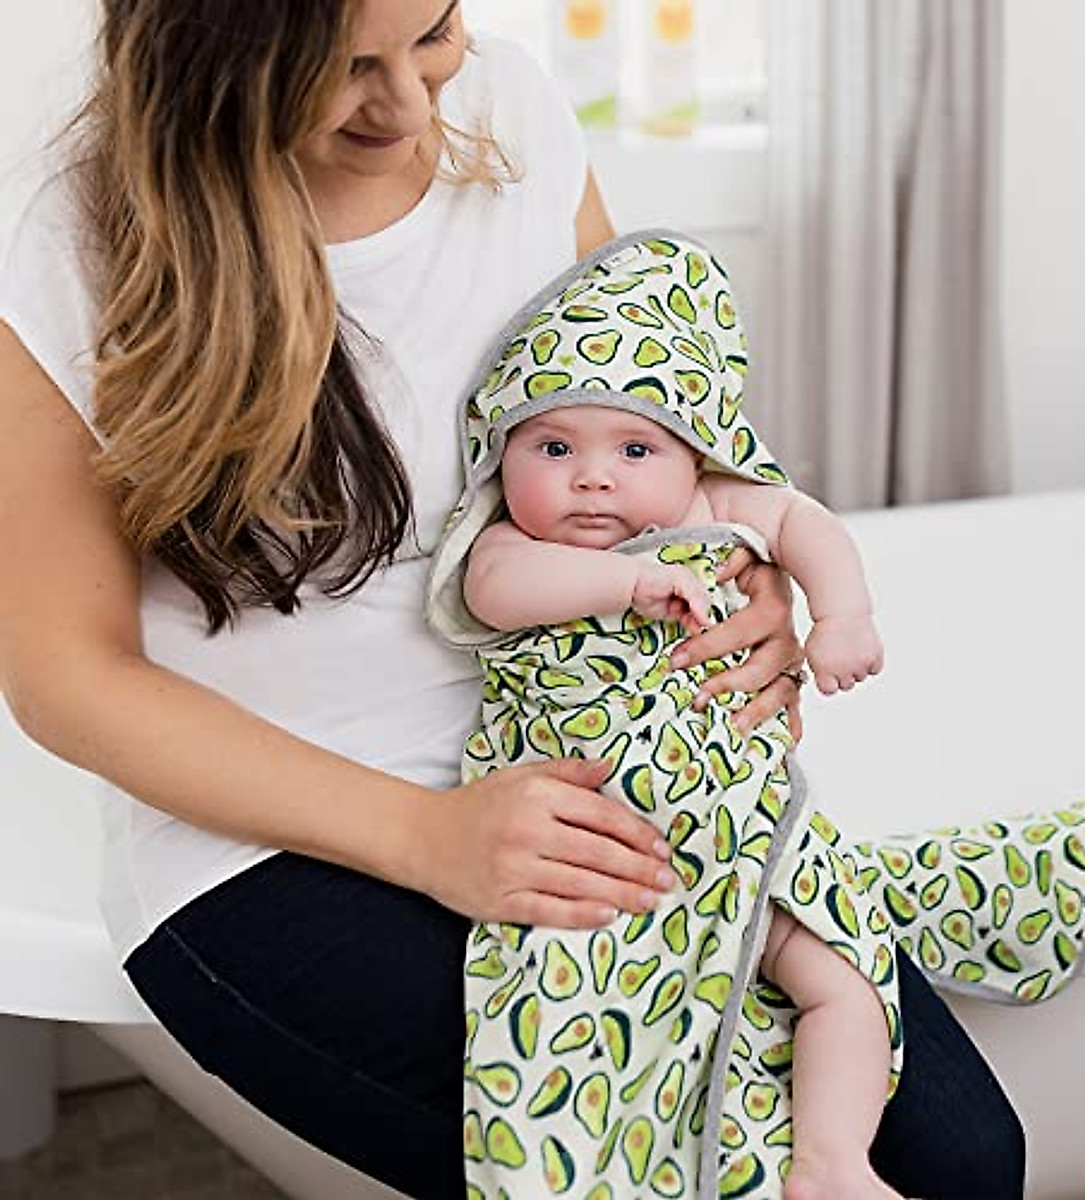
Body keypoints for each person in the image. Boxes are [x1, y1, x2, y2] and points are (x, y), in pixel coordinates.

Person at [0, 2, 1029, 1197]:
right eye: (346, 69)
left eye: (434, 33)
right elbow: (68, 678)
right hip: (272, 842)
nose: (411, 104)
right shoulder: (66, 235)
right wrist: (428, 838)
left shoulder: (515, 112)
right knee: (705, 1170)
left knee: (964, 1157)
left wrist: (748, 574)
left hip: (583, 748)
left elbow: (646, 412)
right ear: (208, 60)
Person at [426, 232, 1085, 1198]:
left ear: (694, 450)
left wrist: (842, 615)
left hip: (745, 829)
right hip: (611, 838)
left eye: (634, 448)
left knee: (844, 979)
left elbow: (807, 525)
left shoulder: (717, 501)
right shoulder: (509, 543)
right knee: (631, 1010)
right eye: (553, 447)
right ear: (502, 454)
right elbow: (496, 593)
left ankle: (832, 1162)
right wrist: (626, 583)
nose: (592, 477)